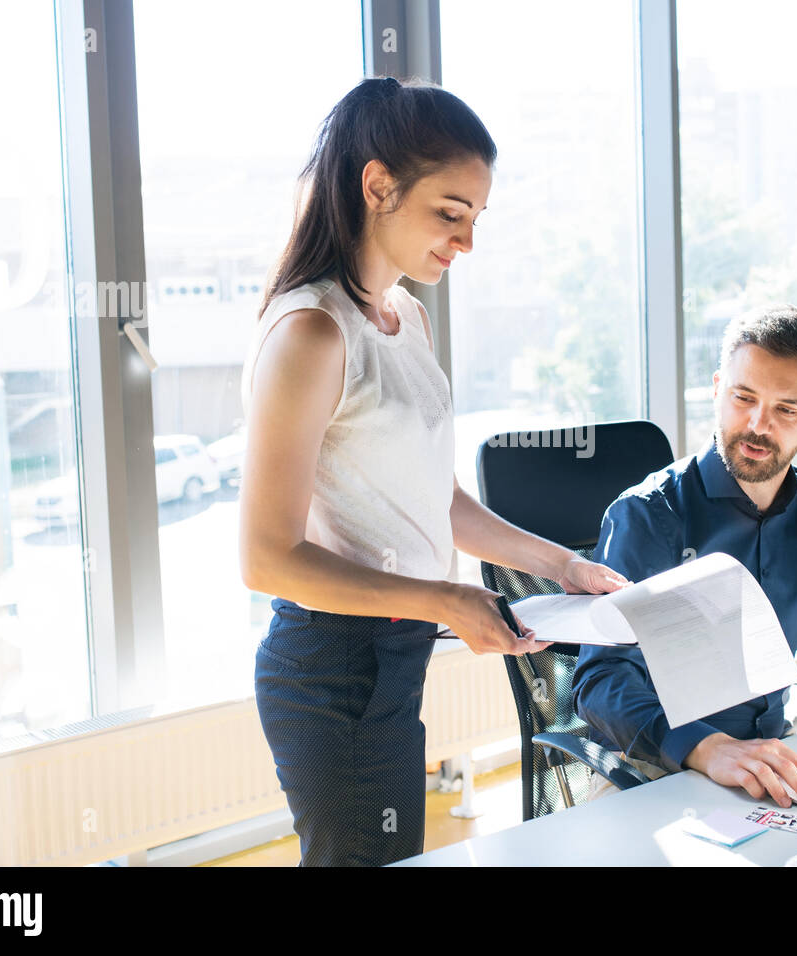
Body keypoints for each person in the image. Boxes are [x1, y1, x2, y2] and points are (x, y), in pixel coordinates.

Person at [238, 76, 628, 867]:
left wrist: (562, 565)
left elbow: (437, 496)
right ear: (377, 186)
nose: (468, 241)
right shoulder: (312, 333)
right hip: (331, 665)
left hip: (392, 653)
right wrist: (447, 598)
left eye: (477, 218)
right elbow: (266, 558)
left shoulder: (404, 316)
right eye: (451, 214)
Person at [573, 305, 797, 808]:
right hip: (651, 767)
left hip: (767, 761)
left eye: (787, 409)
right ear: (717, 388)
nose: (759, 425)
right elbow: (601, 680)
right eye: (744, 397)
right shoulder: (649, 515)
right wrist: (708, 748)